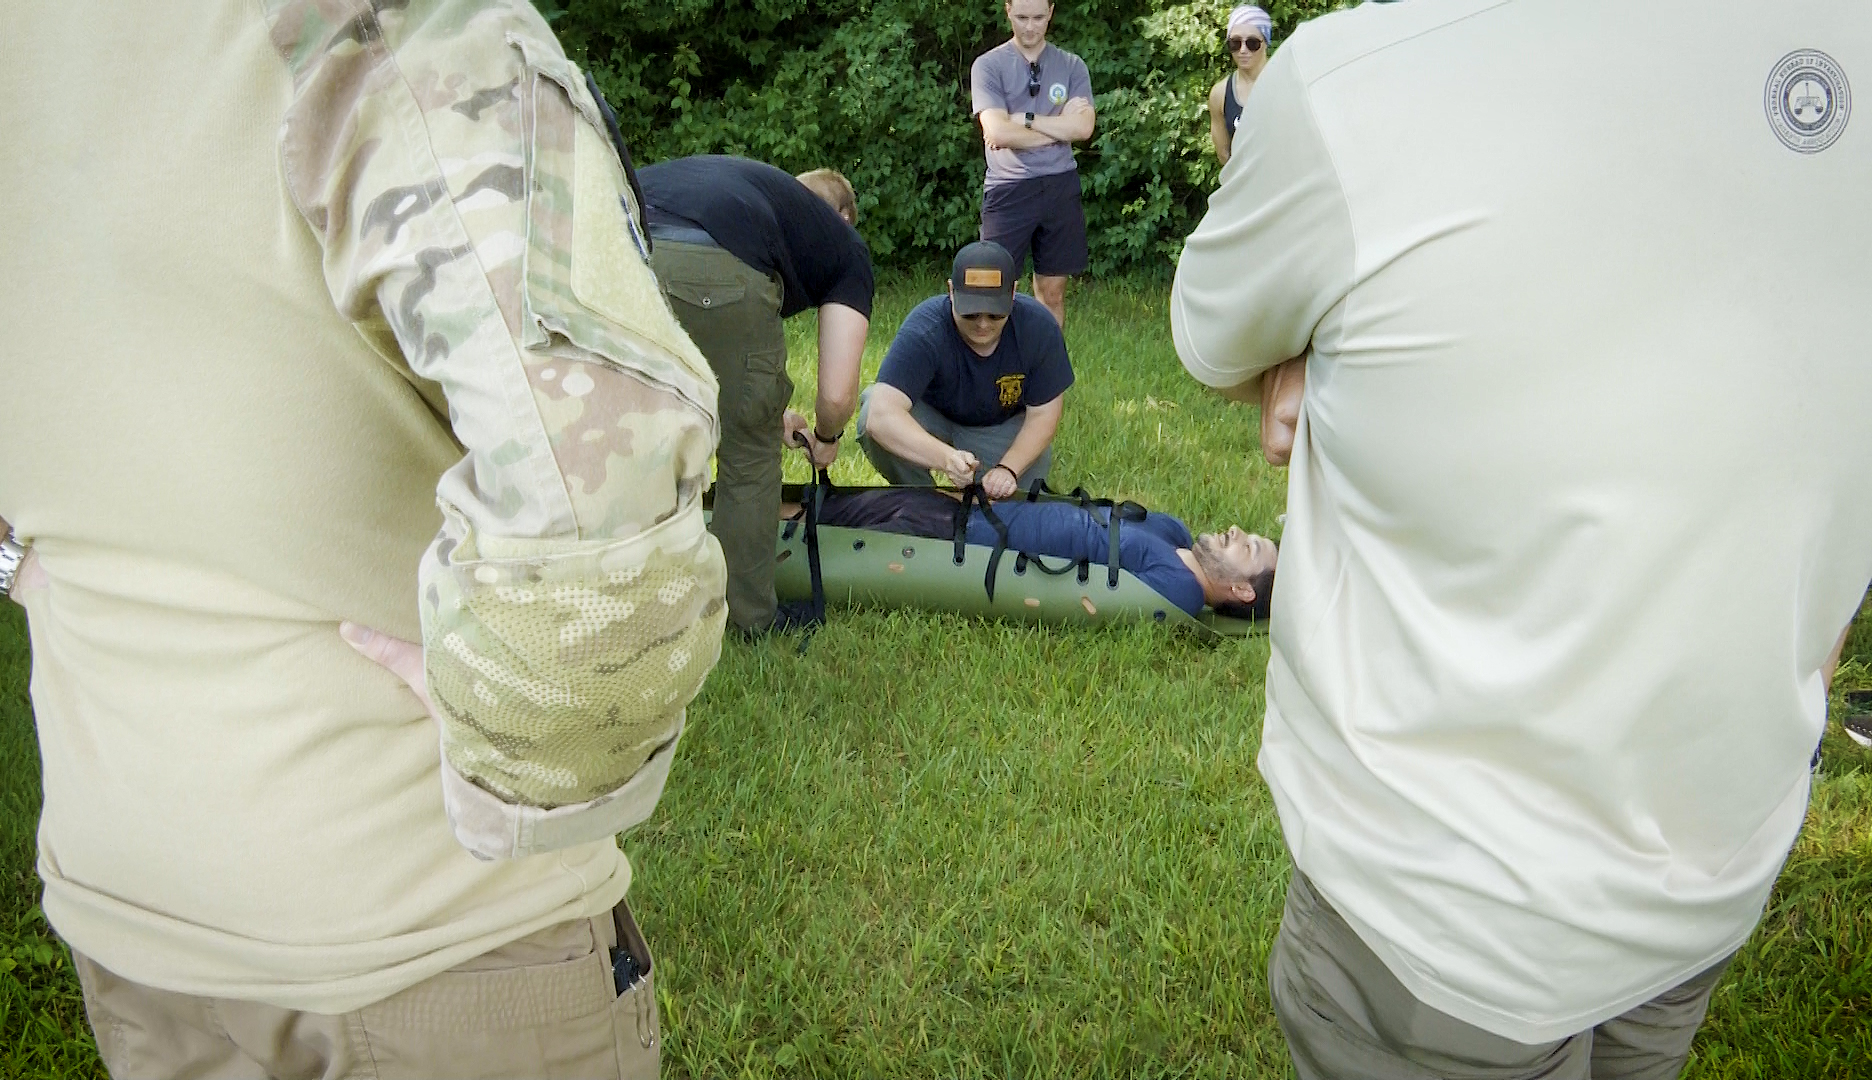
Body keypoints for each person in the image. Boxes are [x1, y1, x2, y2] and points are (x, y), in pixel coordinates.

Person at [0, 1, 731, 1076]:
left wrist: (2, 556)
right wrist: (527, 733)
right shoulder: (376, 26)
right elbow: (601, 475)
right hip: (428, 928)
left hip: (123, 906)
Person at [1171, 2, 1871, 1077]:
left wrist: (1317, 348)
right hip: (1719, 850)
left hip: (1439, 911)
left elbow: (1215, 338)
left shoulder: (1362, 82)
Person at [637, 155, 874, 638]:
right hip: (707, 259)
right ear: (845, 219)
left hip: (618, 234)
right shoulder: (847, 249)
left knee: (636, 437)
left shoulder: (755, 193)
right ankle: (745, 618)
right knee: (749, 454)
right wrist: (827, 437)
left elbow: (713, 356)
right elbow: (835, 395)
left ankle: (628, 602)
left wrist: (771, 411)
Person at [796, 486, 1278, 618]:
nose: (1238, 531)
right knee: (845, 504)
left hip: (974, 541)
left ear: (1242, 590)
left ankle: (766, 537)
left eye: (1250, 547)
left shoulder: (1180, 592)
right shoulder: (1175, 534)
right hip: (986, 508)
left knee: (839, 522)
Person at [857, 242, 1074, 500]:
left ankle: (981, 501)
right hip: (932, 417)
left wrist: (1008, 469)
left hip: (999, 427)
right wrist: (946, 458)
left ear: (1013, 292)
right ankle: (926, 500)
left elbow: (1044, 414)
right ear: (951, 291)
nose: (982, 324)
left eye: (995, 314)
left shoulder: (1039, 327)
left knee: (1019, 503)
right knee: (870, 411)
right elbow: (881, 414)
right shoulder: (926, 328)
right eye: (970, 313)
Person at [971, 0, 1095, 327]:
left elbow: (1084, 128)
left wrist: (1026, 119)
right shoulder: (988, 65)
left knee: (1052, 293)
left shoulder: (1071, 65)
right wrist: (1059, 130)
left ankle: (1046, 358)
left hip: (1060, 186)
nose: (1030, 26)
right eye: (1022, 17)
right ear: (1007, 10)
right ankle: (995, 357)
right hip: (1008, 187)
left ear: (1051, 12)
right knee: (993, 289)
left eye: (1038, 17)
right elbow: (997, 132)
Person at [1208, 5, 1272, 166]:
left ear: (1265, 43)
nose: (1243, 50)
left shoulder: (1288, 84)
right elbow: (1224, 154)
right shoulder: (1220, 94)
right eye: (1235, 43)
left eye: (1252, 43)